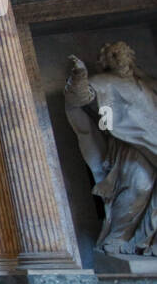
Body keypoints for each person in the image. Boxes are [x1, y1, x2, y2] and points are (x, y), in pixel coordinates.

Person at [64, 42, 157, 257]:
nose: (119, 57)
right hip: (130, 143)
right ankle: (117, 238)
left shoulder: (146, 83)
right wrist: (78, 76)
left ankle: (147, 241)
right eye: (113, 54)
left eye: (123, 53)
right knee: (139, 186)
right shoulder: (102, 82)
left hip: (154, 140)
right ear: (105, 62)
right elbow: (79, 98)